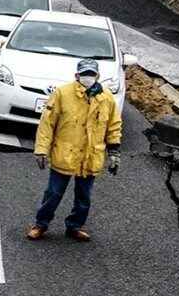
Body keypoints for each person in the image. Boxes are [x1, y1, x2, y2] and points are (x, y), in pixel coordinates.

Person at [27, 58, 121, 242]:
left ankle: (75, 226)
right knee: (53, 193)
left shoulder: (107, 98)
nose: (88, 77)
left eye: (91, 74)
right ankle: (40, 224)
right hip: (65, 154)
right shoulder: (62, 93)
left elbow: (113, 125)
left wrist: (114, 152)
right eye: (84, 74)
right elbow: (47, 123)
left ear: (98, 76)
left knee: (84, 196)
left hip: (90, 156)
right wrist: (41, 150)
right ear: (77, 75)